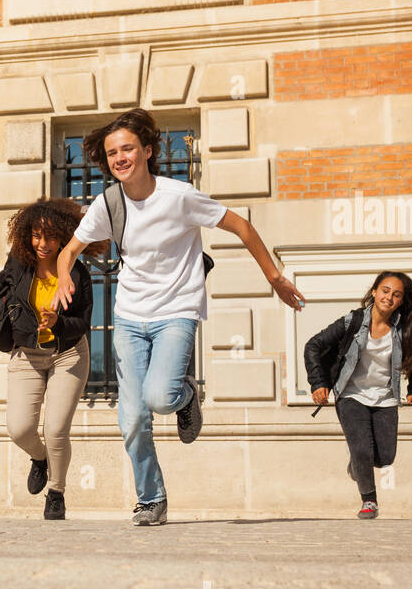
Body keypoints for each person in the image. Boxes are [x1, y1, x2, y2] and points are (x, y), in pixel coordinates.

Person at [50, 108, 306, 525]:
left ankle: (185, 395)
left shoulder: (178, 196)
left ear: (148, 151)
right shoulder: (108, 203)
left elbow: (241, 225)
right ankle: (151, 499)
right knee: (132, 418)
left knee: (159, 398)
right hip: (130, 317)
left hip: (176, 311)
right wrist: (63, 278)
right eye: (112, 152)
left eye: (128, 148)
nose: (119, 158)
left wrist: (274, 277)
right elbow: (69, 251)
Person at [0, 198, 101, 519]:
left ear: (64, 236)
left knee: (56, 428)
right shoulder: (20, 262)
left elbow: (83, 323)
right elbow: (0, 284)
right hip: (26, 355)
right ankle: (40, 458)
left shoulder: (79, 274)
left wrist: (58, 323)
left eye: (51, 236)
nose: (42, 244)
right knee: (19, 429)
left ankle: (56, 491)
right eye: (36, 235)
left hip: (68, 354)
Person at [304, 271, 412, 519]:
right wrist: (318, 383)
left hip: (385, 397)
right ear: (375, 292)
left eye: (396, 294)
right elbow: (313, 345)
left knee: (385, 456)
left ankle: (357, 465)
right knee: (362, 449)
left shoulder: (403, 329)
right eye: (385, 290)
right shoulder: (353, 321)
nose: (389, 297)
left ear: (401, 301)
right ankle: (369, 501)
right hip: (351, 394)